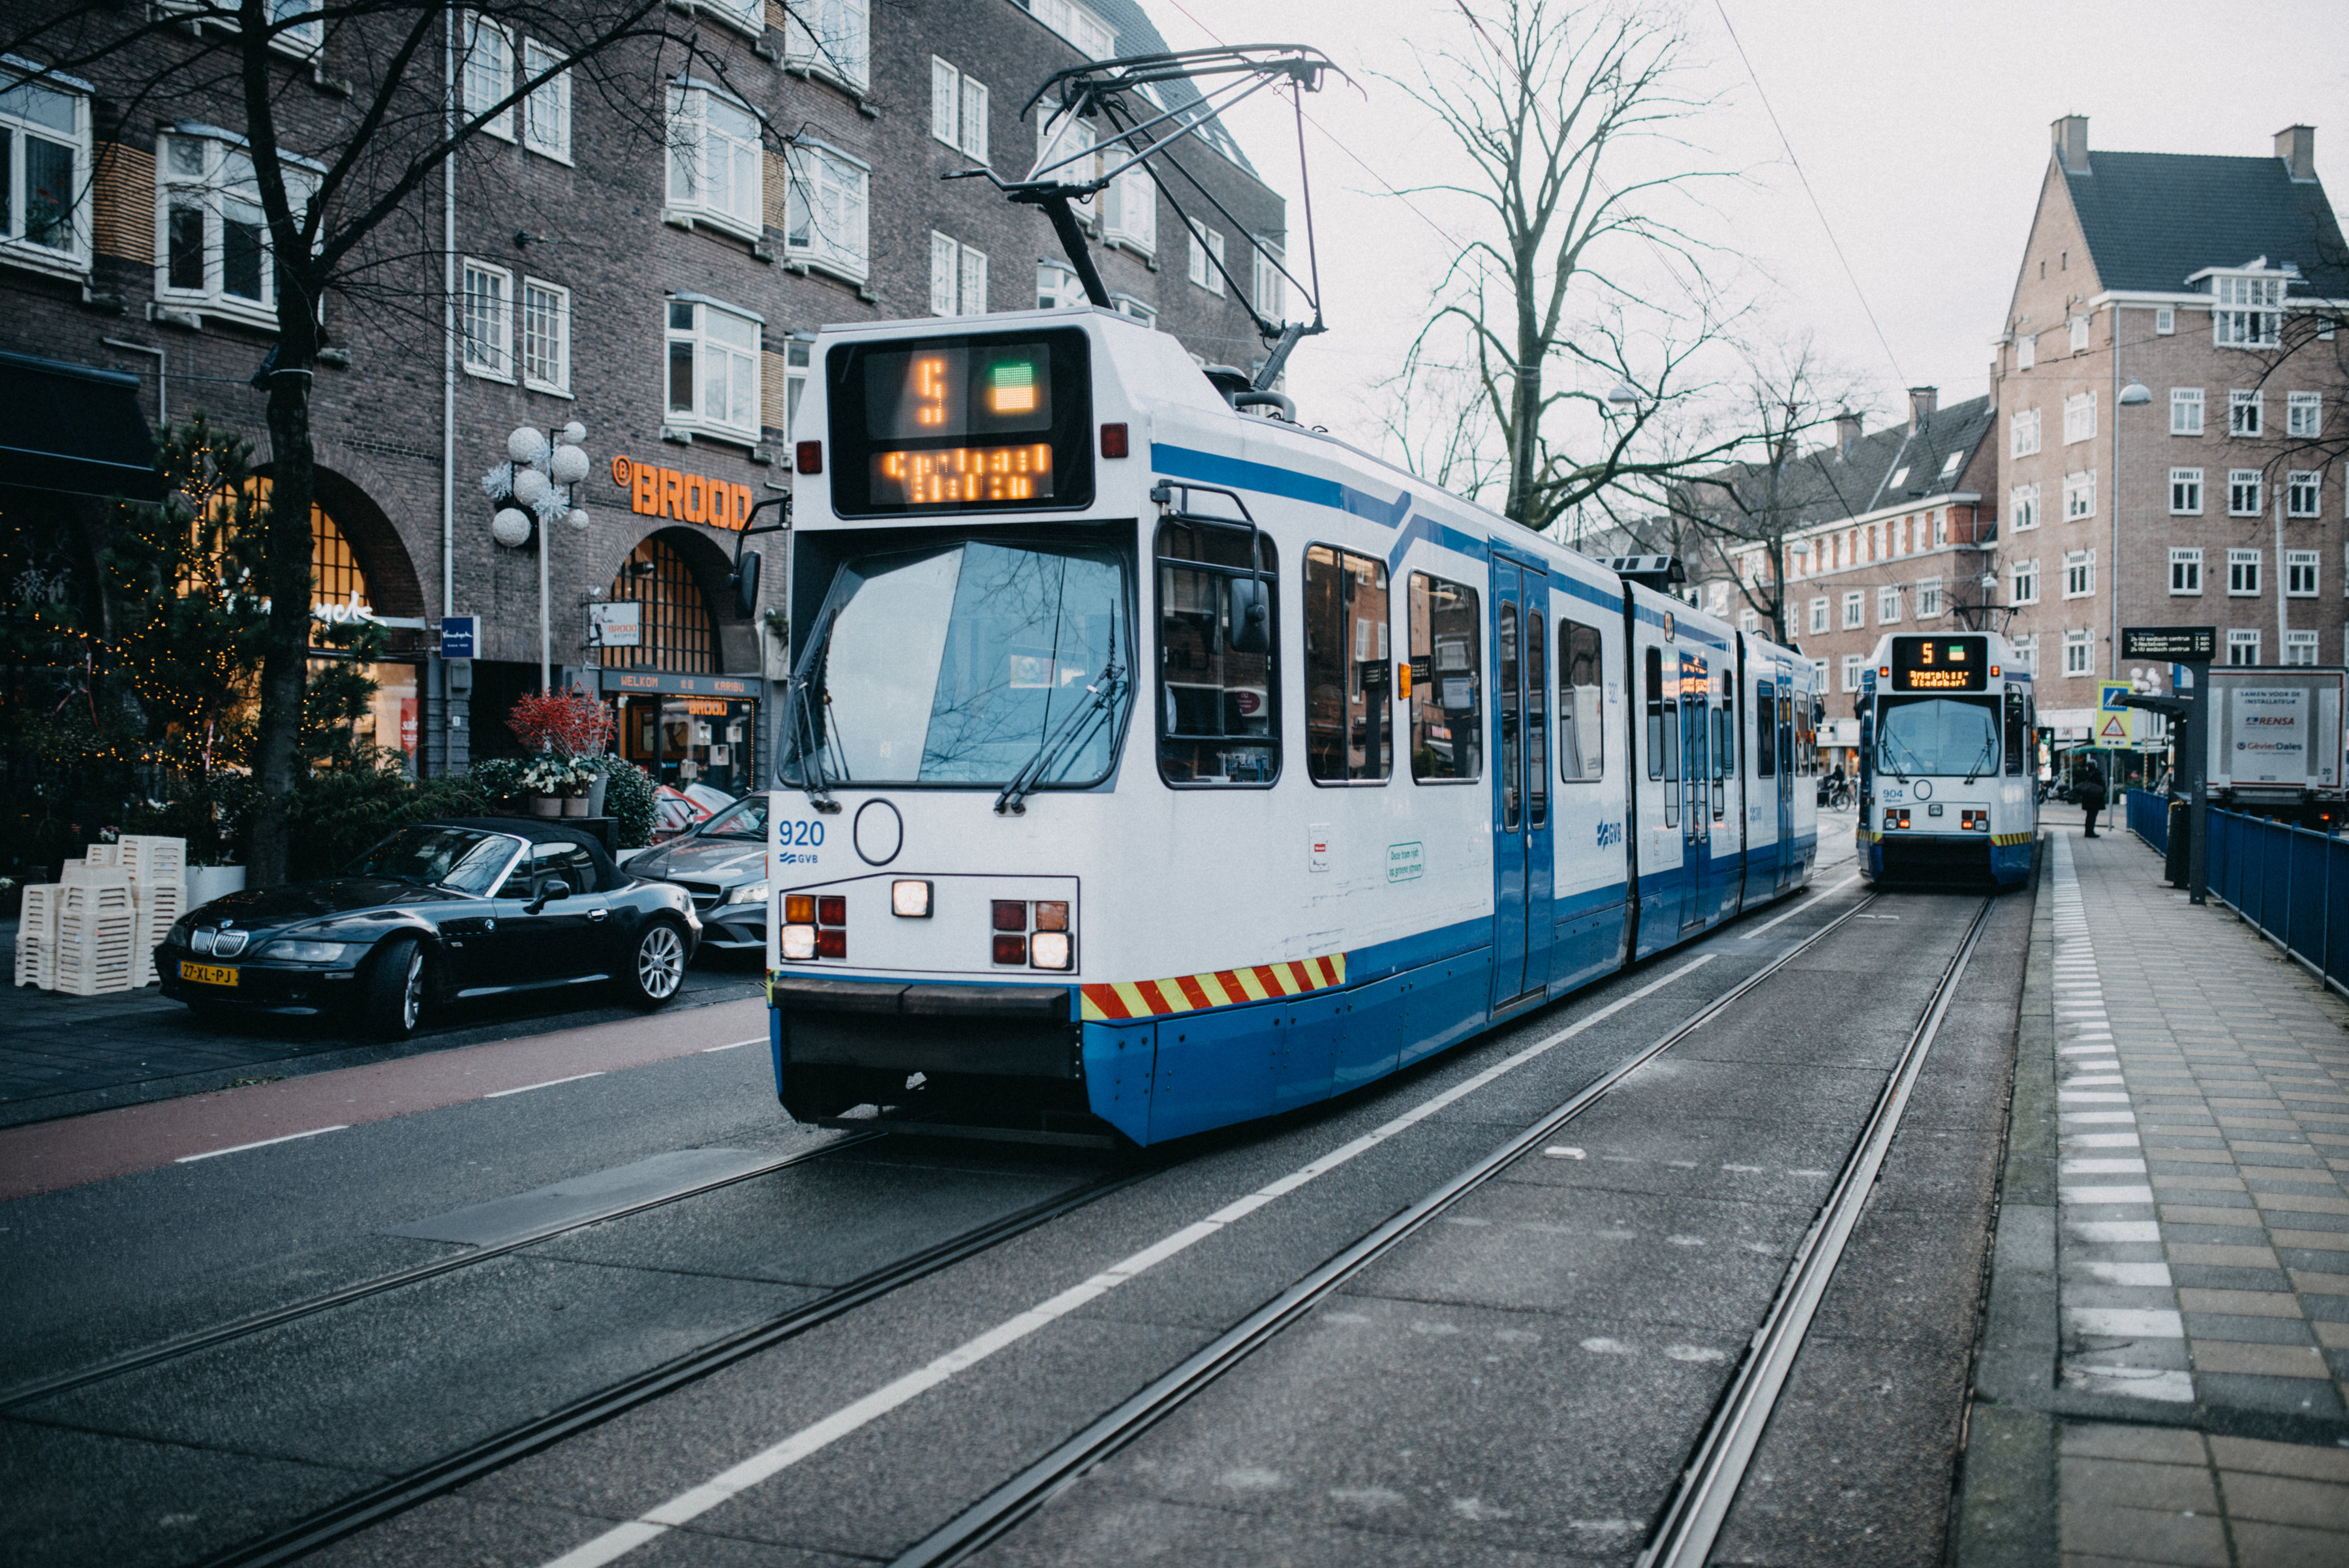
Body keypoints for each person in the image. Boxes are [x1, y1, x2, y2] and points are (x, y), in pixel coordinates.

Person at [2075, 756, 2108, 838]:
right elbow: (2102, 787)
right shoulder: (2097, 774)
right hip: (2095, 800)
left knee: (2089, 815)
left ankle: (2088, 831)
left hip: (2087, 799)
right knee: (2093, 816)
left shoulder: (2086, 774)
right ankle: (2090, 832)